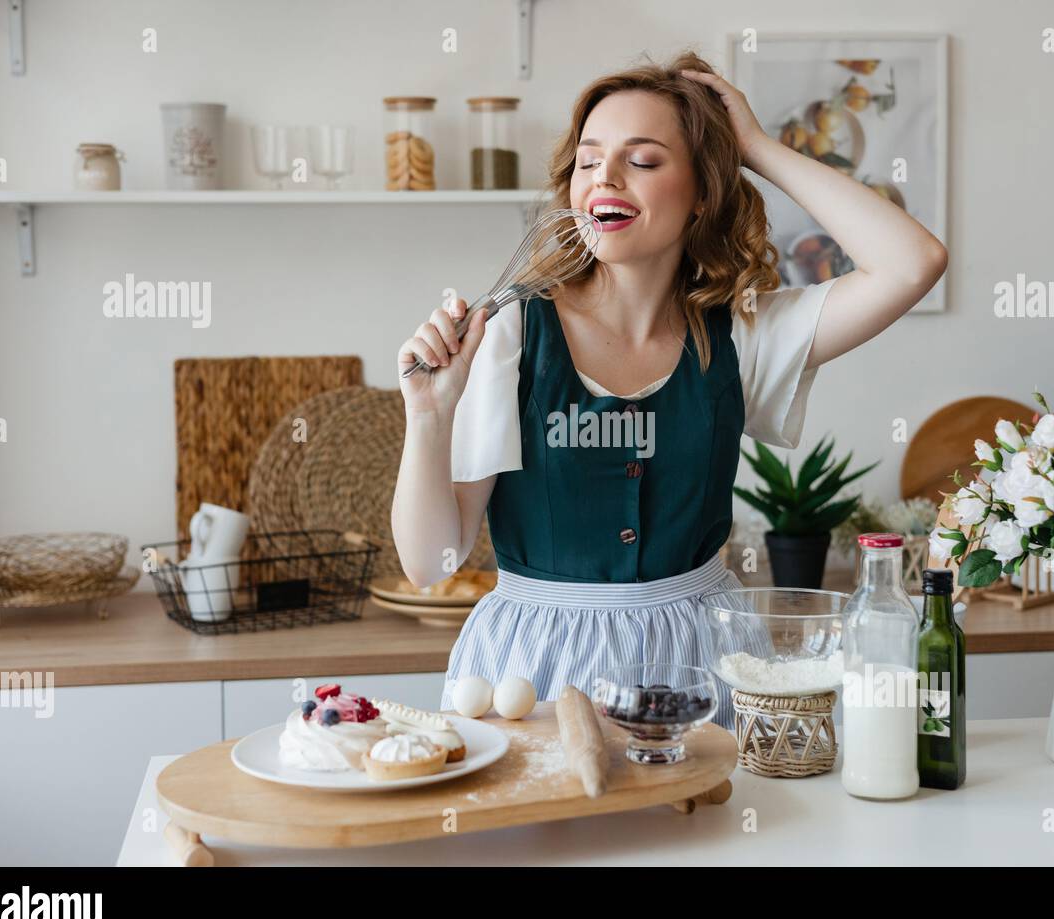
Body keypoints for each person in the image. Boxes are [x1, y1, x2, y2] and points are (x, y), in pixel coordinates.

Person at [392, 51, 947, 730]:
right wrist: (429, 414)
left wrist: (756, 147)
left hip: (705, 656)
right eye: (589, 161)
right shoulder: (509, 332)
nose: (605, 179)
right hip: (535, 667)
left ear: (703, 192)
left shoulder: (743, 334)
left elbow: (914, 262)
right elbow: (429, 565)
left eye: (644, 161)